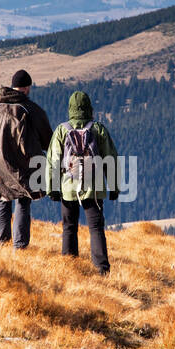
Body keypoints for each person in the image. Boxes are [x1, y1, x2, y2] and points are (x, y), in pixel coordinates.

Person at [0, 69, 53, 249]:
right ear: (27, 88)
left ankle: (1, 243)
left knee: (3, 196)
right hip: (20, 162)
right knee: (23, 197)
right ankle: (20, 246)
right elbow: (48, 139)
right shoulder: (28, 108)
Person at [47, 90, 119, 274]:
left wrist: (53, 189)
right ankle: (102, 270)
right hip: (93, 189)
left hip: (68, 188)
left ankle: (69, 269)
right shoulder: (98, 129)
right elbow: (110, 158)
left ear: (70, 108)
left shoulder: (62, 130)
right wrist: (114, 187)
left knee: (69, 228)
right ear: (89, 108)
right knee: (96, 228)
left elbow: (53, 161)